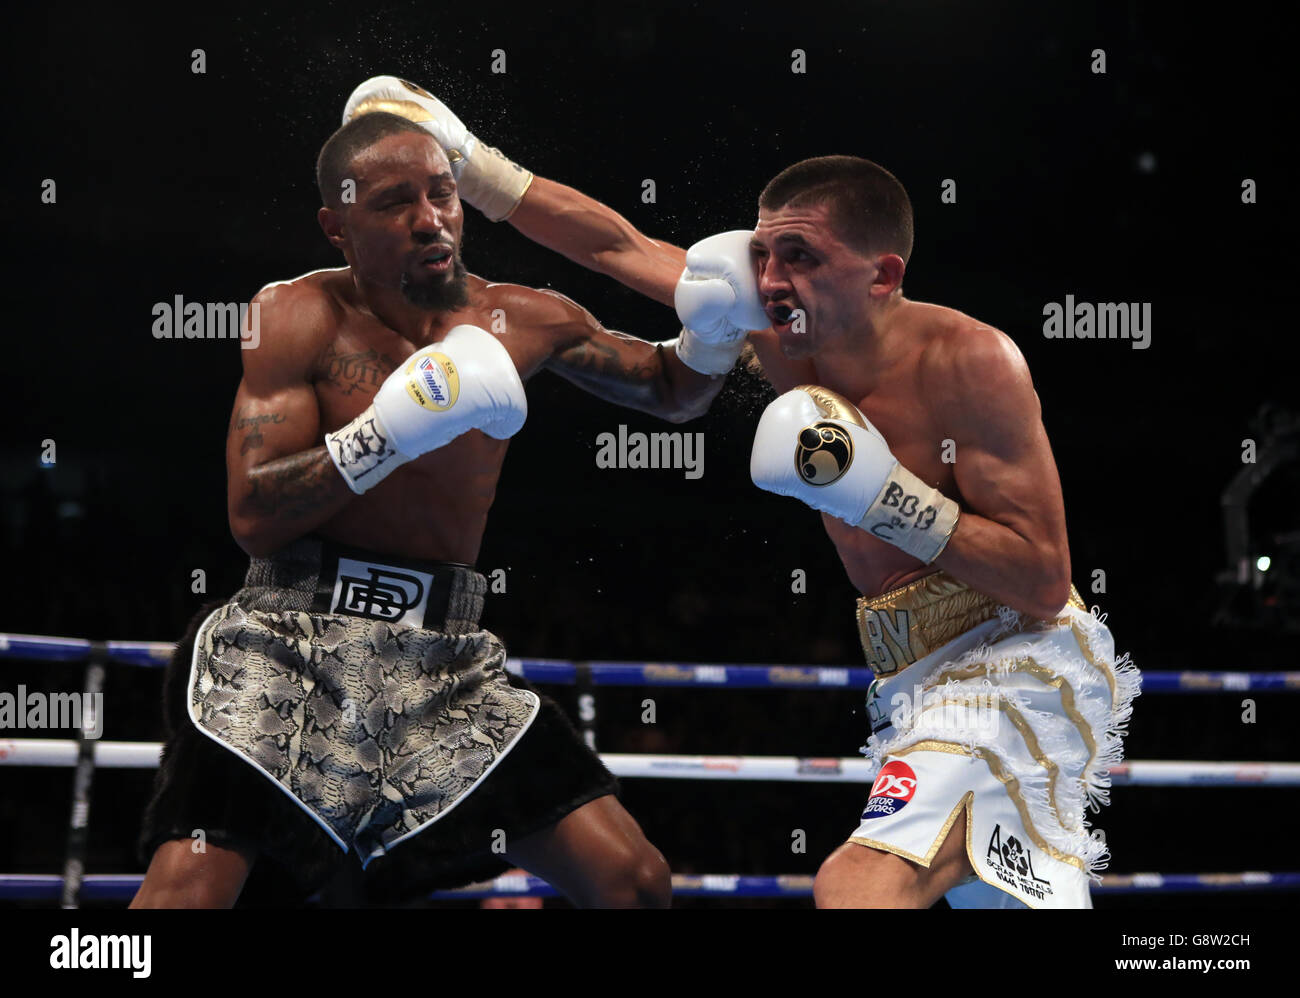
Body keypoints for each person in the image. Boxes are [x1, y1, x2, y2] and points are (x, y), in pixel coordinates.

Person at [391, 78, 1141, 908]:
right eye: (764, 253)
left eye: (802, 258)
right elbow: (618, 247)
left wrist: (888, 496)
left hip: (1019, 657)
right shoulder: (776, 331)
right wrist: (473, 165)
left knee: (859, 885)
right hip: (911, 672)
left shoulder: (970, 363)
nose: (771, 280)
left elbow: (1042, 579)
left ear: (883, 274)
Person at [131, 95, 758, 908]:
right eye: (396, 203)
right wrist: (391, 428)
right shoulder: (296, 315)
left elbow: (673, 393)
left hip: (445, 654)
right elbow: (253, 512)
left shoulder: (523, 319)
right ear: (338, 227)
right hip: (290, 636)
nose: (431, 219)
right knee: (189, 889)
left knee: (633, 881)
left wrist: (712, 333)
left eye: (442, 194)